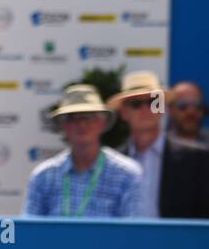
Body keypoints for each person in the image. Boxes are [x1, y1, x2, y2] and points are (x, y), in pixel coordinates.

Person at [23, 84, 142, 218]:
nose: (81, 124)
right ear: (63, 125)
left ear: (102, 122)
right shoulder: (43, 176)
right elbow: (30, 232)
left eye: (89, 116)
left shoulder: (127, 174)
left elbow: (132, 234)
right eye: (73, 117)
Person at [111, 70, 209, 219]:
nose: (146, 109)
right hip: (125, 241)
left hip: (178, 242)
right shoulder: (112, 164)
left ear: (162, 108)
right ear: (123, 112)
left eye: (153, 101)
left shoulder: (199, 159)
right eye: (136, 104)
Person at [167, 80, 208, 149]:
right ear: (170, 110)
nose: (191, 112)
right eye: (183, 106)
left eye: (197, 105)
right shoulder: (158, 149)